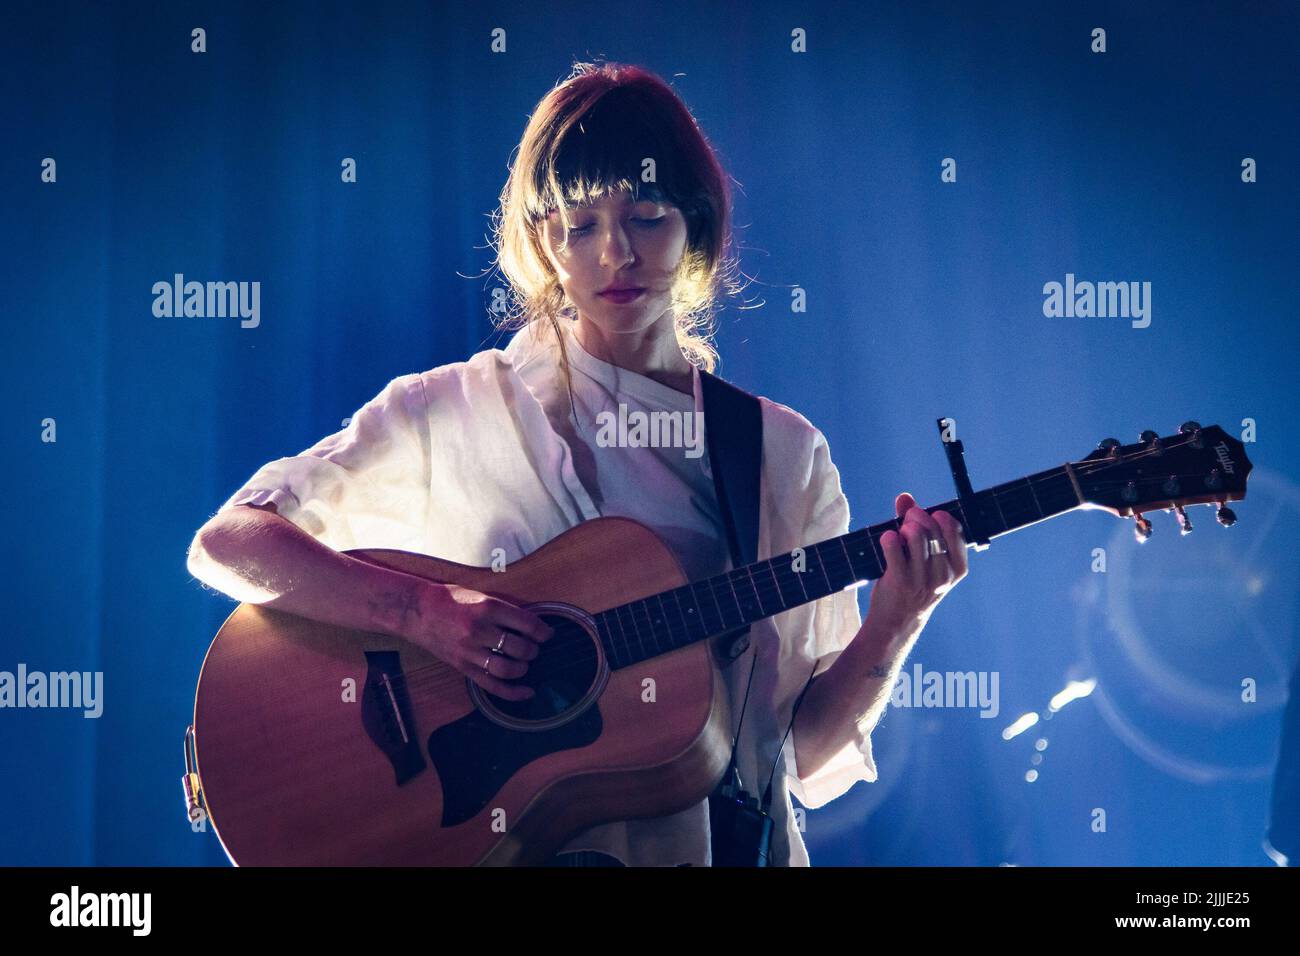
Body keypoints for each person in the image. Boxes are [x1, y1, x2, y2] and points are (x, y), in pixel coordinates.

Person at [186, 60, 969, 867]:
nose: (615, 254)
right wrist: (426, 615)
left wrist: (897, 619)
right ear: (540, 239)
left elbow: (800, 758)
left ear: (694, 226)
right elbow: (230, 542)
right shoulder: (447, 410)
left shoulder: (778, 453)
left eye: (647, 215)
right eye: (580, 224)